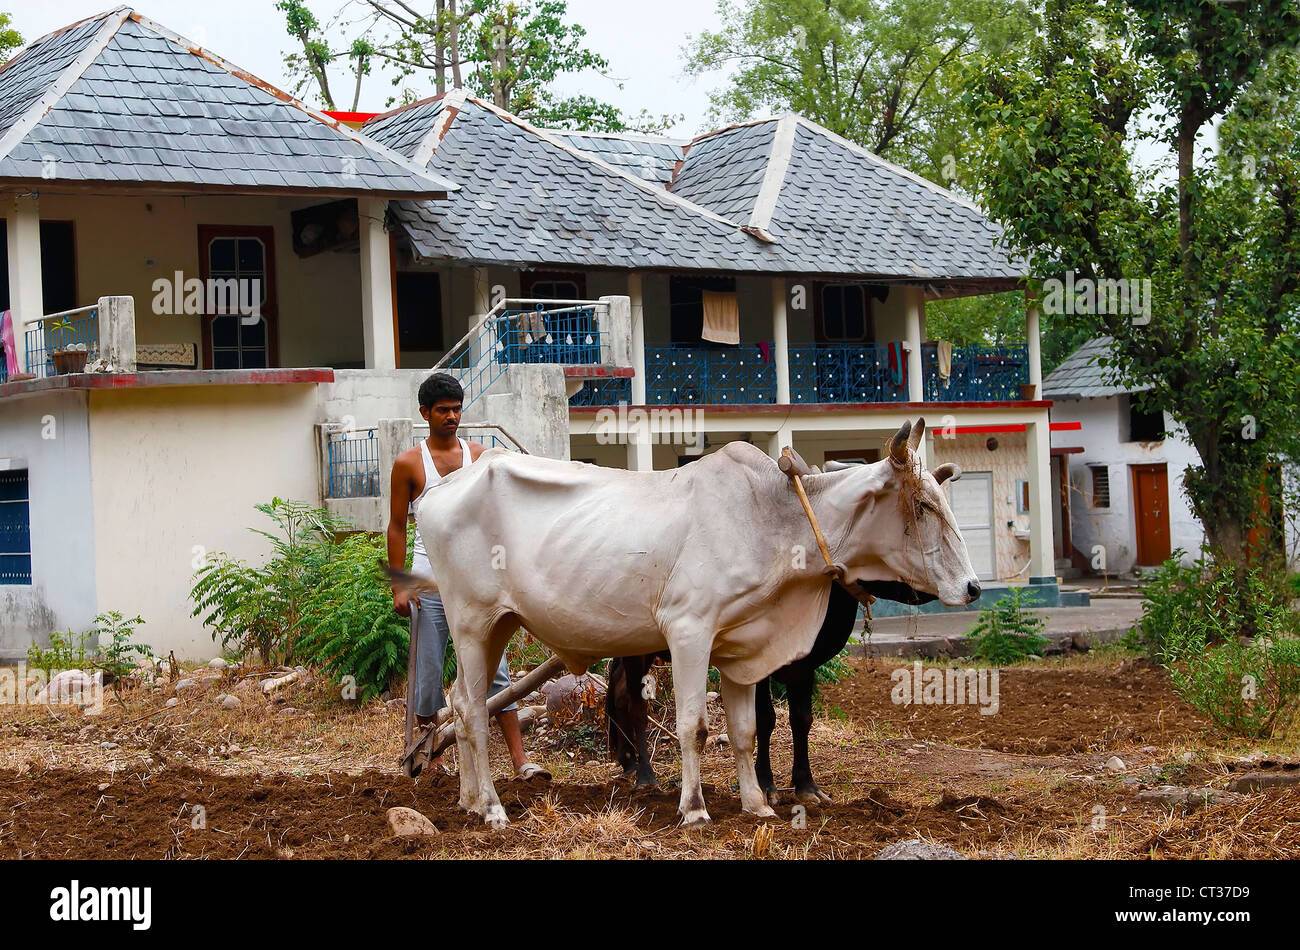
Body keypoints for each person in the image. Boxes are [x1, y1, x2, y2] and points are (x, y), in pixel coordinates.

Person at [387, 372, 548, 781]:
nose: (452, 417)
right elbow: (396, 526)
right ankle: (432, 757)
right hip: (429, 580)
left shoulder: (480, 458)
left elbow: (499, 521)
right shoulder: (409, 464)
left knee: (495, 671)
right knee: (428, 670)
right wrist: (399, 583)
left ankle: (519, 760)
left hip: (478, 582)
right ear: (425, 413)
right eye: (443, 410)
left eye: (457, 409)